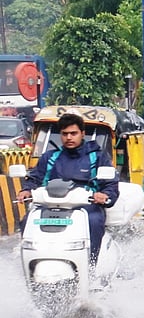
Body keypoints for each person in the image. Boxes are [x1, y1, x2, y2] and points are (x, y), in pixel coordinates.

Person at [18, 113, 119, 264]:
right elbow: (34, 178)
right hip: (51, 205)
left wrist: (104, 195)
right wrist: (26, 190)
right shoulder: (49, 157)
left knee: (94, 221)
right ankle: (31, 263)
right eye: (65, 134)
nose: (69, 138)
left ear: (82, 134)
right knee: (27, 220)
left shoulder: (97, 157)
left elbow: (110, 184)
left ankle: (91, 265)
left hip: (86, 206)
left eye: (73, 133)